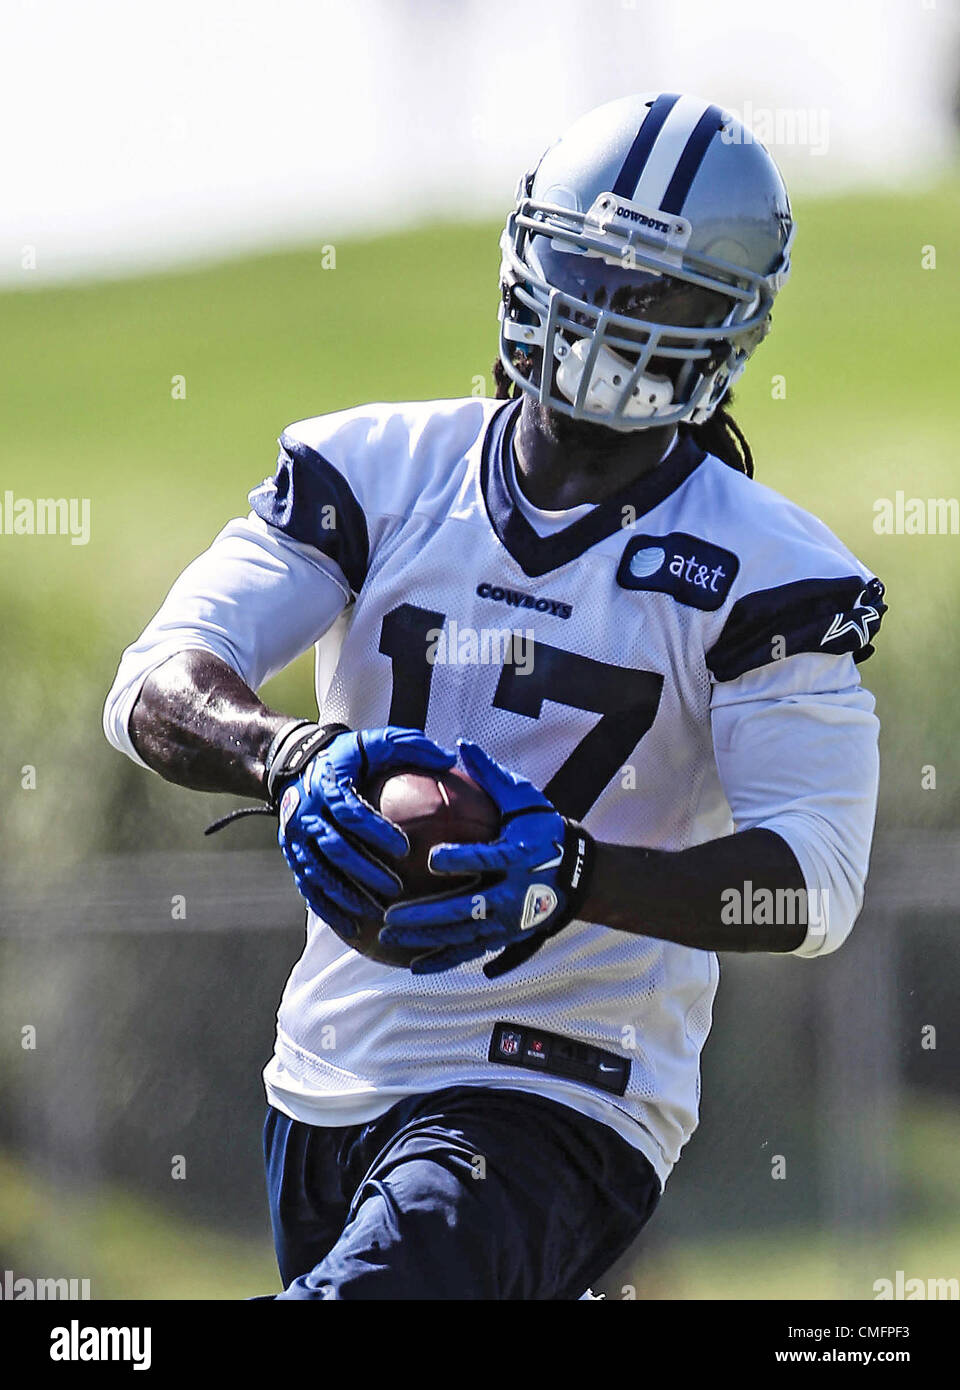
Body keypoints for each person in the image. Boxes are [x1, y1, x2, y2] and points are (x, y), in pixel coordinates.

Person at [103, 92, 885, 1300]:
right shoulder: (376, 471)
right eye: (589, 268)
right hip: (329, 1068)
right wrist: (290, 754)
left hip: (564, 1084)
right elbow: (158, 681)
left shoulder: (770, 572)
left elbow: (815, 881)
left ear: (729, 325)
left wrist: (573, 873)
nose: (607, 317)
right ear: (530, 253)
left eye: (659, 296)